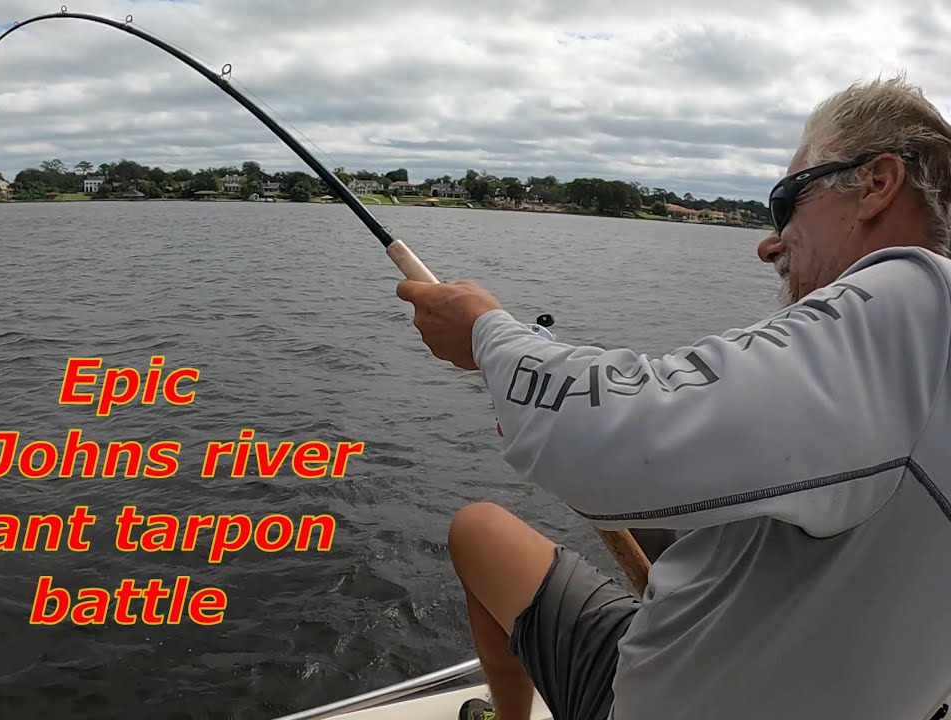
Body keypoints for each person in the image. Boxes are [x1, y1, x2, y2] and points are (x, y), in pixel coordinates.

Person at [395, 74, 951, 720]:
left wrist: (486, 335)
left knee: (476, 529)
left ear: (877, 184)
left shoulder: (914, 305)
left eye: (787, 201)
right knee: (494, 531)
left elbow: (612, 437)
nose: (769, 244)